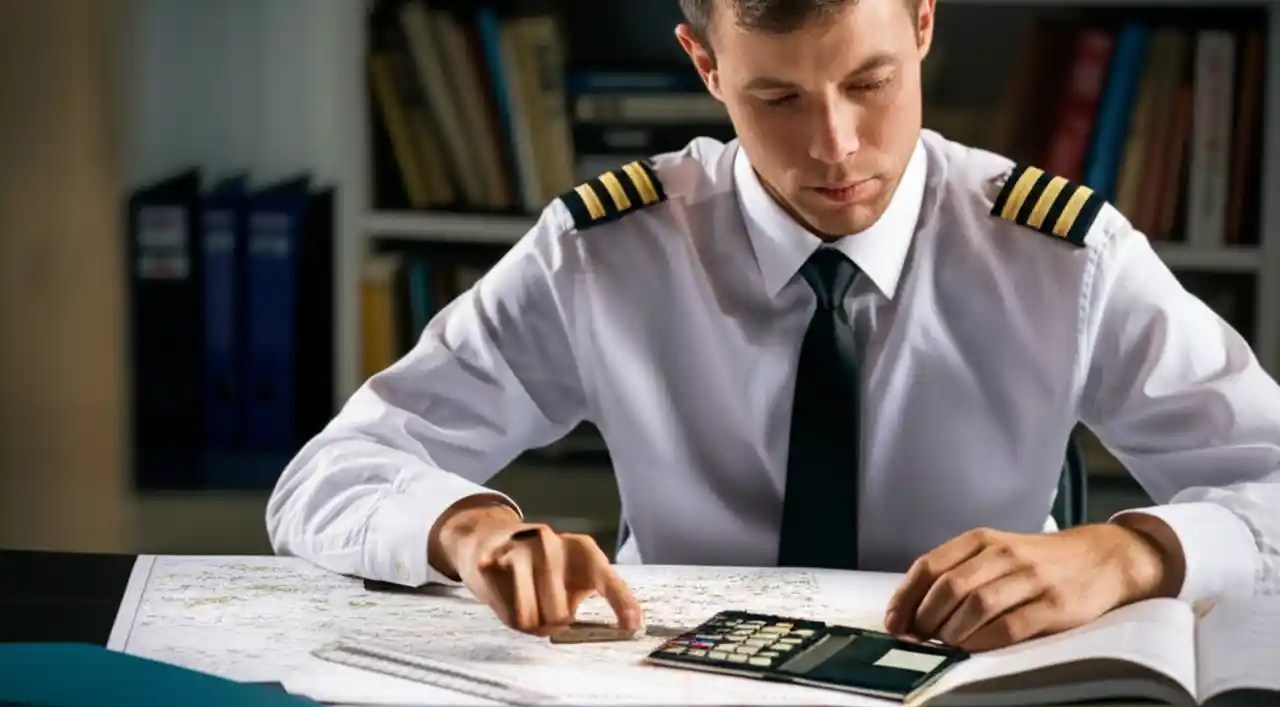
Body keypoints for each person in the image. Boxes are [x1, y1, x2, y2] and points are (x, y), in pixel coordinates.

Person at [267, 0, 1280, 652]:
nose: (835, 147)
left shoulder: (1062, 256)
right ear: (704, 66)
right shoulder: (606, 250)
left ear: (923, 21)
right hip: (674, 683)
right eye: (776, 96)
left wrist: (1132, 553)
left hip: (978, 686)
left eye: (869, 83)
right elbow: (328, 478)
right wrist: (463, 530)